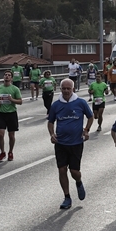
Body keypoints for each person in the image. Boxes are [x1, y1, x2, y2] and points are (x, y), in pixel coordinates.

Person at [47, 79, 93, 210]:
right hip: (61, 143)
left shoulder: (81, 102)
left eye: (69, 88)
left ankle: (78, 182)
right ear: (60, 89)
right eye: (64, 88)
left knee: (74, 171)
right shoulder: (56, 105)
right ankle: (67, 197)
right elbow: (50, 122)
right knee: (62, 169)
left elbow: (90, 117)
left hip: (76, 143)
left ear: (73, 89)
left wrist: (86, 130)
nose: (66, 91)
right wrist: (52, 134)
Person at [0, 69, 23, 161]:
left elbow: (20, 101)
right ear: (3, 77)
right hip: (1, 113)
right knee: (0, 134)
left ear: (11, 78)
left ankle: (10, 151)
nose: (7, 76)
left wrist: (12, 100)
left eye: (9, 75)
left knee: (11, 135)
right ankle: (2, 152)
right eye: (5, 75)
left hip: (11, 114)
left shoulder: (15, 89)